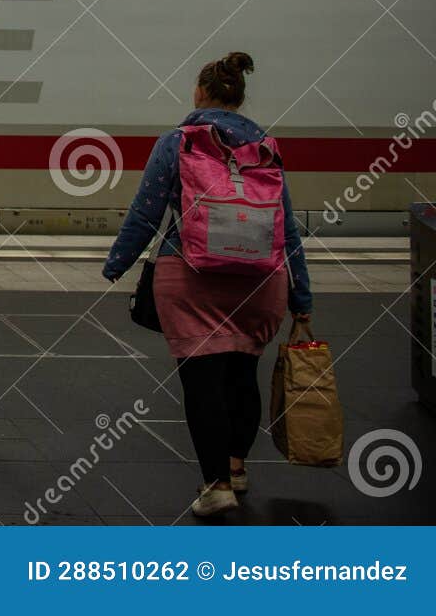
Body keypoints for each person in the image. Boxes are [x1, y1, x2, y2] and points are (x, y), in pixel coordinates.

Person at [103, 52, 313, 519]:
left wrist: (117, 263)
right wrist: (301, 298)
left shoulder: (178, 141)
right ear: (239, 96)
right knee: (243, 374)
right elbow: (289, 229)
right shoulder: (266, 146)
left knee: (202, 380)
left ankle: (215, 484)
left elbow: (146, 211)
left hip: (192, 276)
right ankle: (236, 468)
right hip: (261, 280)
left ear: (200, 93)